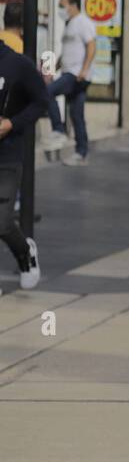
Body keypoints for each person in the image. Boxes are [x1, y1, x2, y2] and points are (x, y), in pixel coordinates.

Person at [0, 36, 48, 295]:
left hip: (7, 157)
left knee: (0, 222)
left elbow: (42, 101)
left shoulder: (17, 65)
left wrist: (11, 124)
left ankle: (25, 251)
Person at [41, 0, 96, 166]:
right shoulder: (69, 25)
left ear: (73, 5)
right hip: (69, 71)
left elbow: (92, 46)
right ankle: (82, 153)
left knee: (47, 92)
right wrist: (53, 70)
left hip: (76, 74)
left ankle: (58, 129)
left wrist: (84, 69)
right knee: (76, 114)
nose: (60, 9)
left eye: (62, 5)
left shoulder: (83, 22)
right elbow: (66, 53)